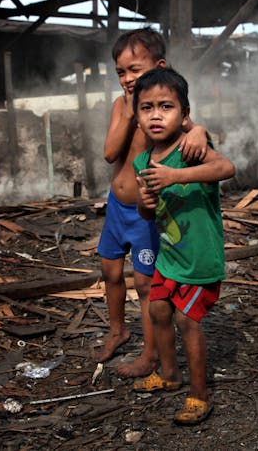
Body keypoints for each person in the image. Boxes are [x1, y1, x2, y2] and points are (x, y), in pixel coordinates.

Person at [96, 28, 213, 378]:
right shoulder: (123, 106)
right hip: (117, 205)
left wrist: (199, 131)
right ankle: (118, 330)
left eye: (135, 69)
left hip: (146, 211)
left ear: (158, 65)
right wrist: (132, 111)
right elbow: (109, 153)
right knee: (110, 270)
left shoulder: (161, 106)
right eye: (121, 72)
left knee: (146, 285)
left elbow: (192, 127)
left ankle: (150, 355)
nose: (127, 78)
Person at [130, 67, 234, 425]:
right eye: (146, 108)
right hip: (170, 256)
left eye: (166, 106)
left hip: (198, 260)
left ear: (184, 115)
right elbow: (148, 213)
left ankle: (199, 395)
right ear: (137, 117)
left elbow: (227, 167)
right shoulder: (142, 161)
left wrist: (176, 175)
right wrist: (145, 201)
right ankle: (170, 374)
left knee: (188, 322)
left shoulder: (193, 149)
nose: (156, 114)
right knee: (158, 312)